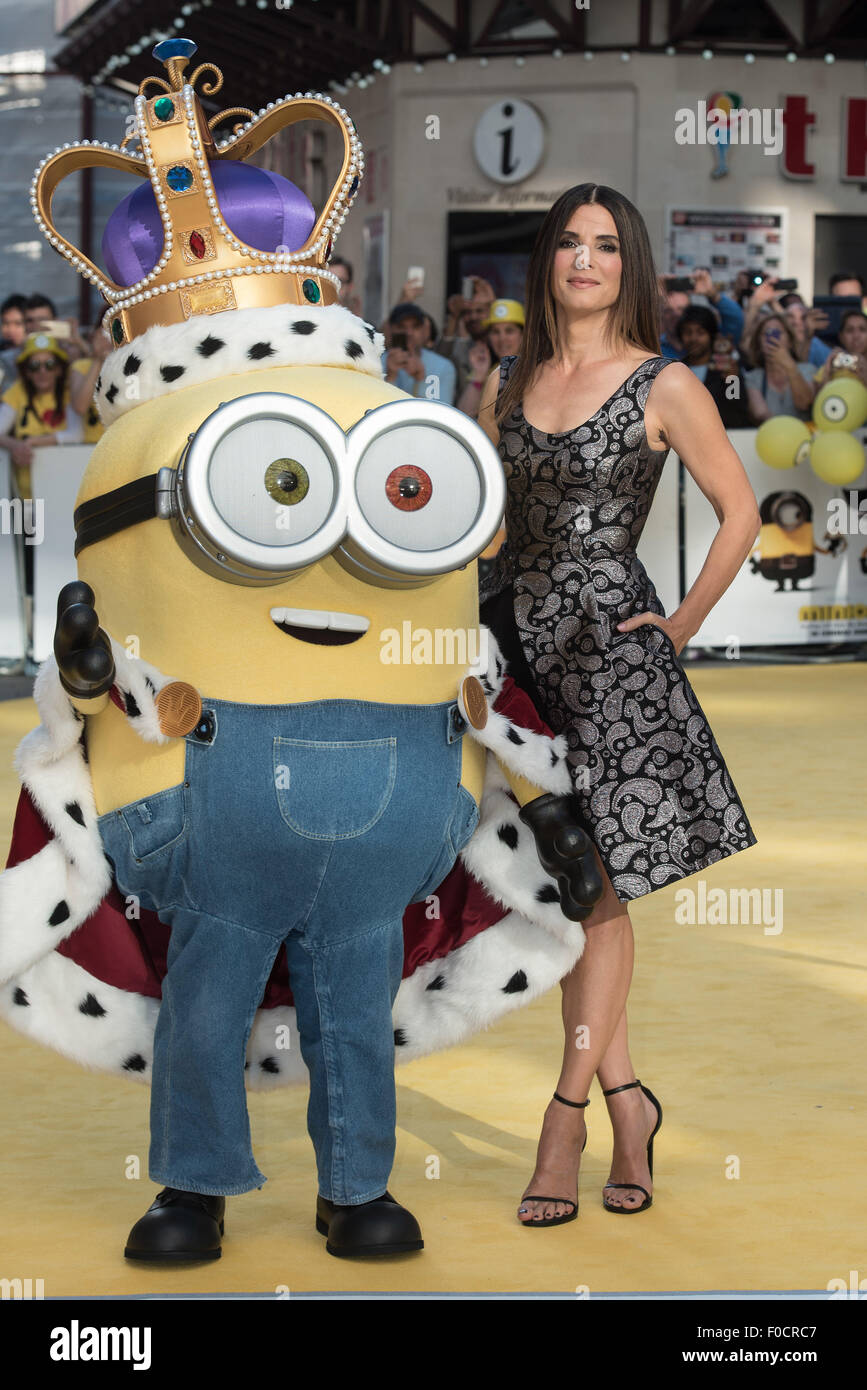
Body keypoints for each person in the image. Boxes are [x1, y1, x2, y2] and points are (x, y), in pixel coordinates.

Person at [476, 182, 760, 1226]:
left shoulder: (664, 381)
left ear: (626, 265)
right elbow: (484, 525)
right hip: (511, 646)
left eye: (605, 245)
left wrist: (678, 626)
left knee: (596, 892)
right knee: (571, 888)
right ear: (547, 260)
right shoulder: (505, 379)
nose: (585, 260)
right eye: (568, 243)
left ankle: (566, 1117)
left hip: (610, 657)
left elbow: (738, 512)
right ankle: (630, 1100)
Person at [675, 305, 755, 427]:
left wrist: (732, 380)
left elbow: (738, 410)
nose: (693, 338)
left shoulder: (728, 367)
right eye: (688, 332)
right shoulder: (674, 371)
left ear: (711, 335)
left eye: (700, 332)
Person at [457, 300, 524, 419]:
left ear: (523, 335)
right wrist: (478, 376)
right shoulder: (490, 369)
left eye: (509, 331)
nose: (502, 338)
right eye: (495, 332)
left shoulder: (537, 369)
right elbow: (462, 418)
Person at [743, 313, 816, 421]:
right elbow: (761, 415)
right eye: (766, 333)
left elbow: (804, 404)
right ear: (759, 343)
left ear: (790, 341)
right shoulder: (752, 377)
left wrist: (789, 365)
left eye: (777, 332)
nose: (771, 338)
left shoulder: (808, 370)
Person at [381, 301, 456, 404]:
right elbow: (375, 411)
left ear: (425, 330)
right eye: (402, 327)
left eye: (415, 327)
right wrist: (391, 377)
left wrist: (421, 380)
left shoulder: (443, 367)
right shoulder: (375, 363)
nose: (409, 333)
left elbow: (438, 415)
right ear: (390, 329)